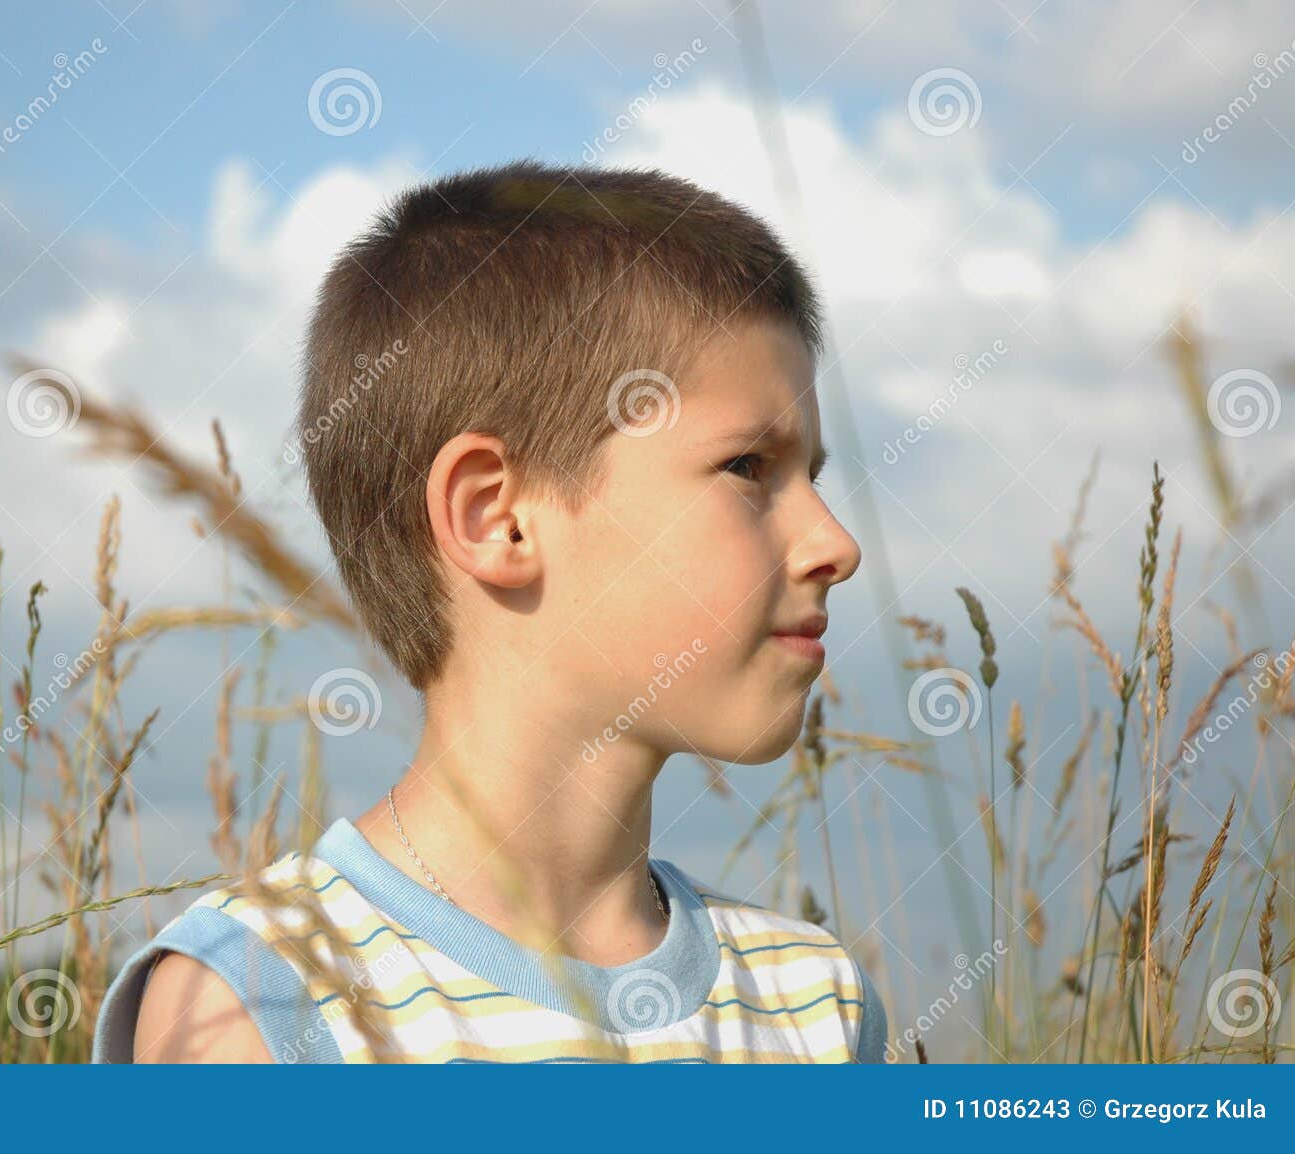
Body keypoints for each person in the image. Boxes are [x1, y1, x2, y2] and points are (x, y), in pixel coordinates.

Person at [94, 158, 884, 1063]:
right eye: (750, 467)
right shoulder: (263, 1002)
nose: (836, 543)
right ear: (496, 517)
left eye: (813, 477)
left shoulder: (816, 1003)